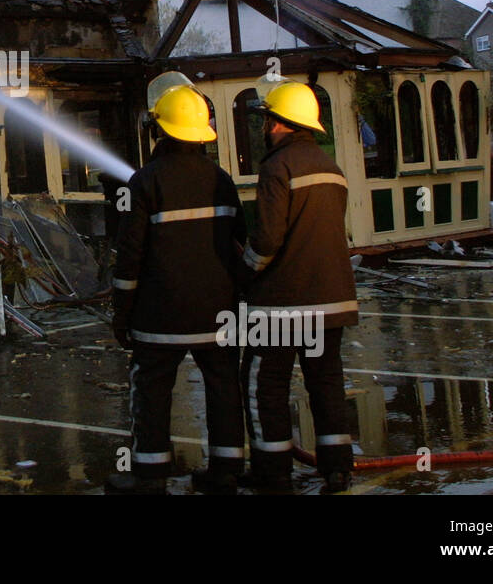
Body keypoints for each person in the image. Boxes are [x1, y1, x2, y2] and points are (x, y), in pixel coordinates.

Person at [107, 72, 248, 495]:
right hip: (219, 313)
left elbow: (129, 255)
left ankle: (150, 474)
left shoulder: (144, 182)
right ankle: (226, 471)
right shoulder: (221, 180)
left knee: (151, 388)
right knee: (224, 387)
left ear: (158, 129)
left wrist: (121, 311)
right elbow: (240, 243)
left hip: (159, 314)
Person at [239, 81, 357, 493]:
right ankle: (338, 468)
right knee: (326, 383)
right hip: (332, 301)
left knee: (264, 385)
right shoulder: (333, 168)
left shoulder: (277, 167)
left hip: (281, 306)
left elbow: (269, 240)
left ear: (278, 124)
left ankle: (273, 473)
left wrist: (244, 271)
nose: (264, 127)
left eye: (267, 119)